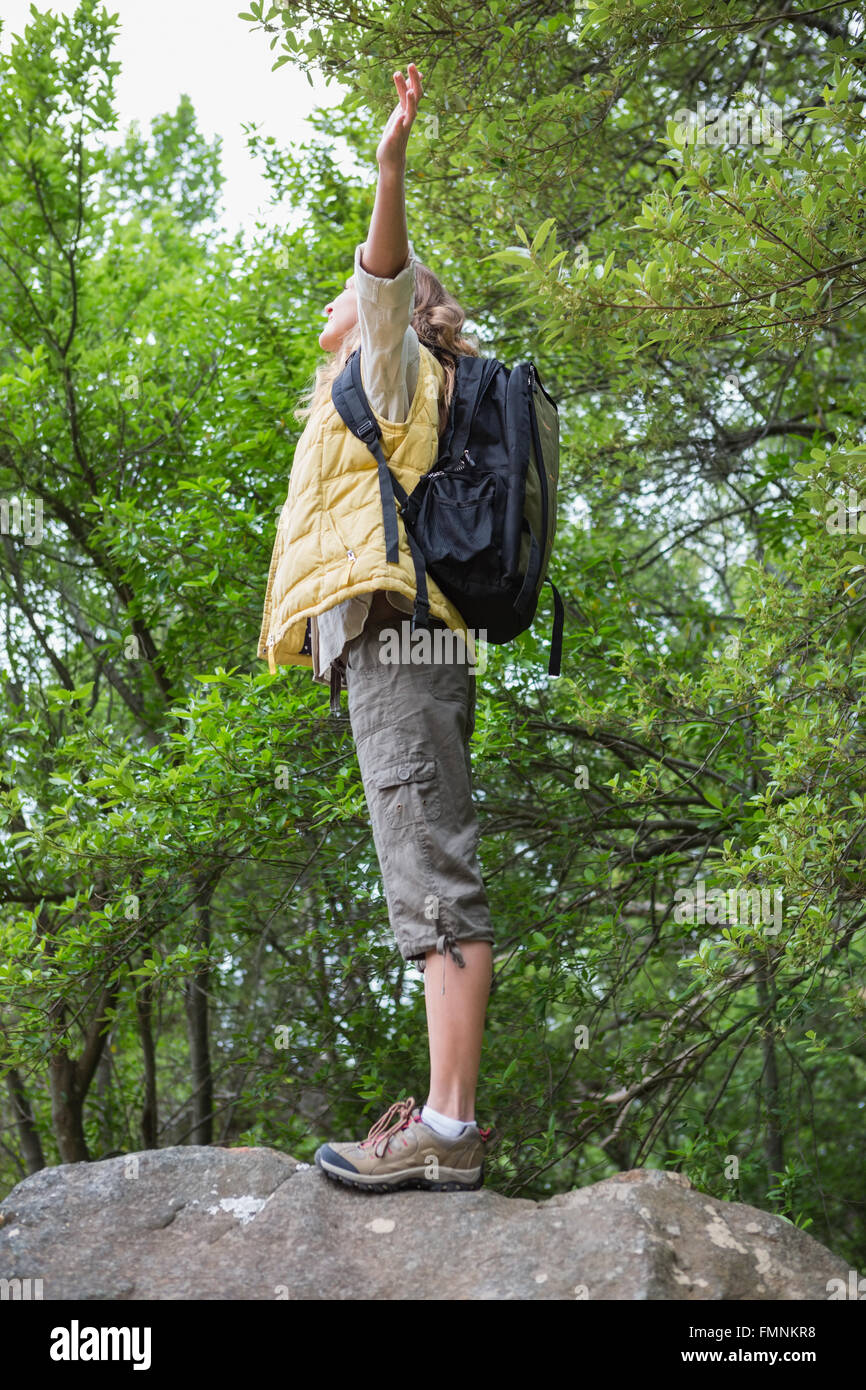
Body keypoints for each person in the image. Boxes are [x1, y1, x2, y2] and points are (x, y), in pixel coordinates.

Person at [258, 63, 494, 1192]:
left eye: (344, 291)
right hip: (395, 647)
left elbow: (382, 271)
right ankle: (445, 1120)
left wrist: (389, 162)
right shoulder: (373, 393)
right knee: (422, 869)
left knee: (433, 877)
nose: (334, 300)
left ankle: (446, 1130)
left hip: (402, 643)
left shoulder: (392, 369)